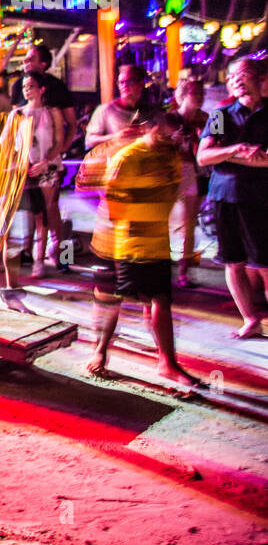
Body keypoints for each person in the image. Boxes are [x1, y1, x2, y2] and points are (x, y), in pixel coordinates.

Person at [87, 111, 203, 388]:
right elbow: (111, 205)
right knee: (112, 299)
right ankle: (100, 351)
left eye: (177, 135)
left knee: (158, 300)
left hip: (155, 243)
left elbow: (175, 195)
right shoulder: (127, 158)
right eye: (167, 133)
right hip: (123, 243)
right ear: (150, 129)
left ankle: (166, 362)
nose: (173, 139)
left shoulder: (171, 157)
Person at [197, 56, 268, 339]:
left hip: (260, 198)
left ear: (260, 79)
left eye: (243, 74)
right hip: (224, 197)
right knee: (233, 260)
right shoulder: (220, 116)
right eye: (232, 77)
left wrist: (228, 156)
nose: (236, 80)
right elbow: (204, 156)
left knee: (264, 263)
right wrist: (238, 149)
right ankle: (250, 319)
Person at [19, 45, 76, 267]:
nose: (25, 61)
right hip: (28, 161)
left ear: (43, 63)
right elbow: (19, 130)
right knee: (34, 210)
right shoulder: (19, 88)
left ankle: (62, 256)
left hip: (49, 160)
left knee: (51, 208)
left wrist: (56, 156)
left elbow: (70, 125)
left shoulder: (56, 88)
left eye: (30, 58)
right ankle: (33, 254)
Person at [17, 71, 67, 279]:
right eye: (24, 87)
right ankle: (51, 257)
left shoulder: (51, 111)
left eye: (30, 86)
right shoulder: (18, 113)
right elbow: (7, 144)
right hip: (28, 168)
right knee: (40, 214)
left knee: (50, 213)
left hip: (49, 167)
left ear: (41, 89)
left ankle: (60, 257)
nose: (27, 90)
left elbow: (59, 142)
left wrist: (45, 163)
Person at [171, 72, 209, 286]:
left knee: (189, 224)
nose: (199, 96)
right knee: (164, 220)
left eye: (201, 93)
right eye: (195, 92)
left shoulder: (207, 119)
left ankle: (185, 271)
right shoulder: (171, 118)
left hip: (193, 173)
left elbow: (217, 142)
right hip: (171, 172)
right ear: (183, 95)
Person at [85, 64, 154, 150]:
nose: (124, 86)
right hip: (116, 161)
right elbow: (89, 141)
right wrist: (116, 137)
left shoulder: (150, 111)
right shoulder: (105, 110)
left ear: (140, 84)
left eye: (129, 81)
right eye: (121, 82)